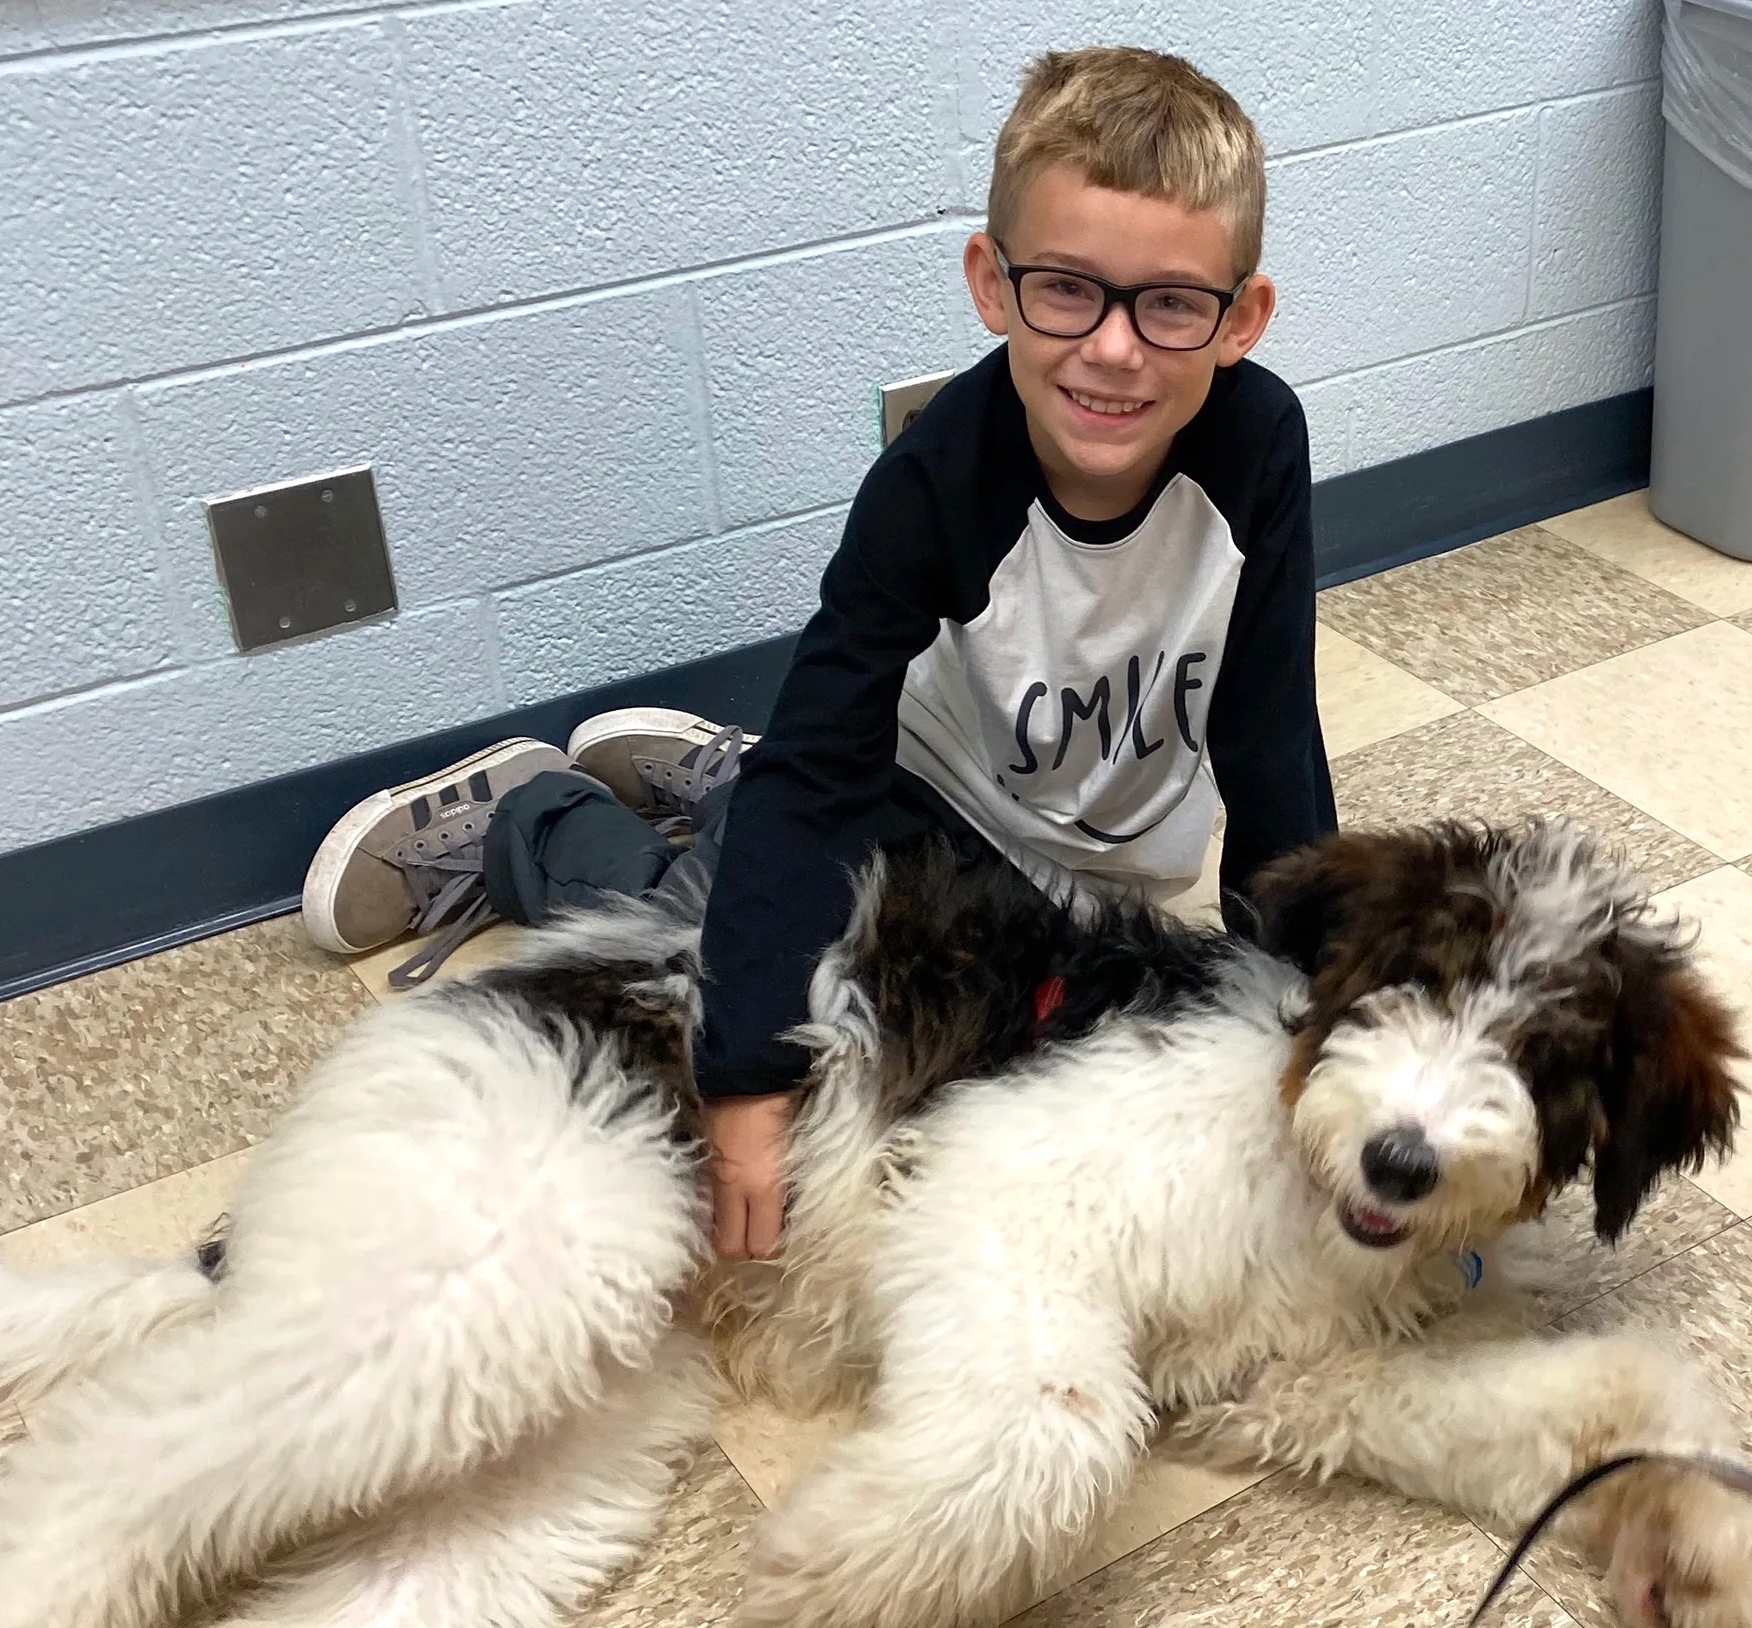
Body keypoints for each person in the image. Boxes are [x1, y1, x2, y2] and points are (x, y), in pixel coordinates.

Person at [301, 45, 1336, 1263]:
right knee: (704, 953)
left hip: (1077, 881)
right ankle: (536, 818)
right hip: (905, 815)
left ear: (1242, 319)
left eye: (1170, 303)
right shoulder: (932, 481)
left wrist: (1304, 1030)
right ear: (990, 283)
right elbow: (823, 776)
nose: (1112, 349)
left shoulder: (1260, 444)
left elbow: (1271, 738)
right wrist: (741, 1075)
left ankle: (722, 775)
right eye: (1066, 288)